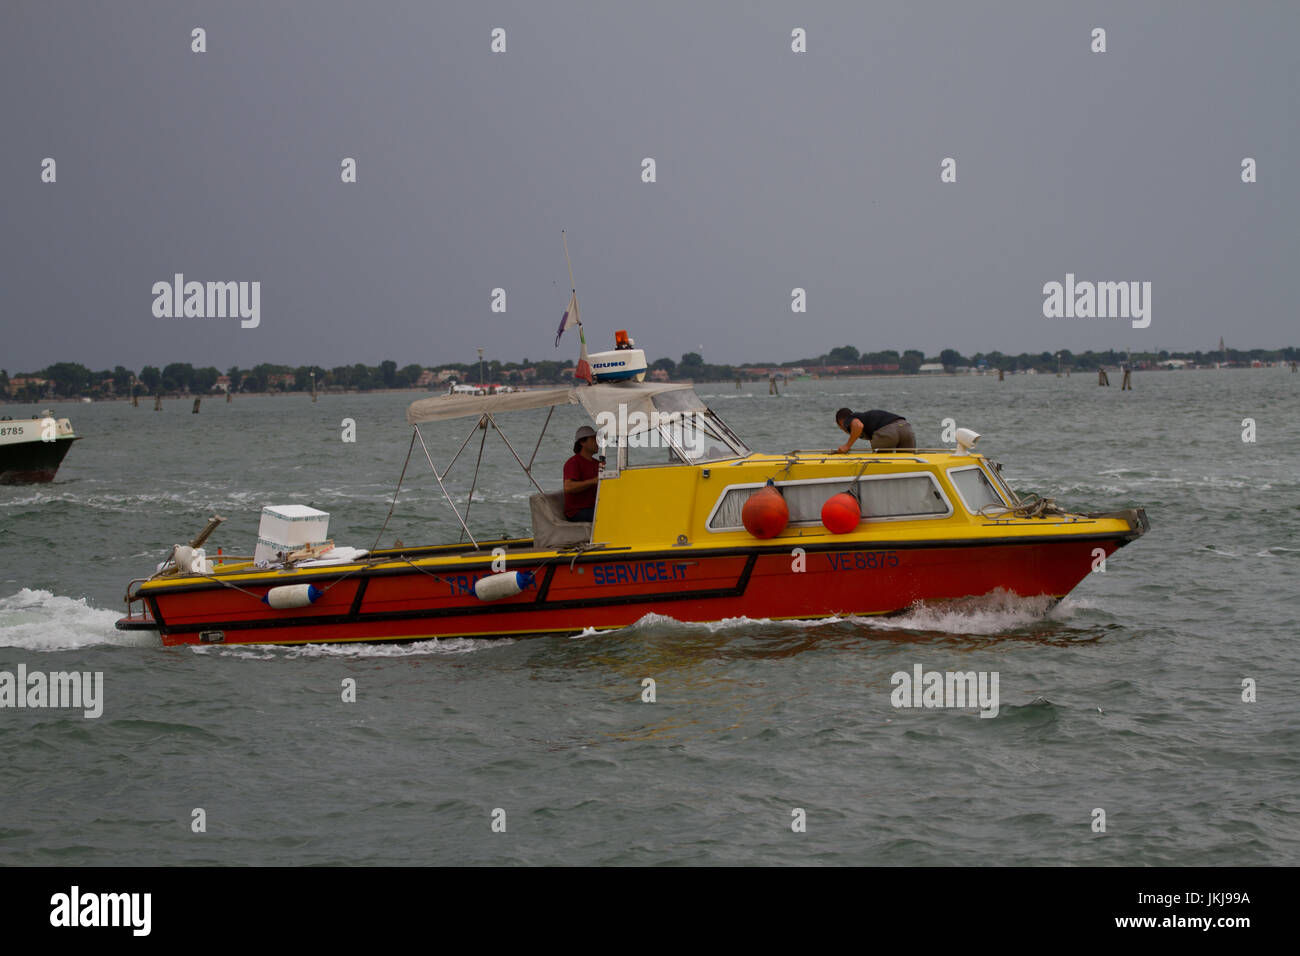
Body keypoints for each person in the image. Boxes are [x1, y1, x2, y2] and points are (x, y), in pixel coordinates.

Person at [563, 425, 603, 521]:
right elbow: (568, 487)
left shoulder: (597, 463)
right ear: (582, 442)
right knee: (608, 516)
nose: (598, 442)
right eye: (593, 439)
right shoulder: (573, 462)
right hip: (576, 512)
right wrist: (593, 481)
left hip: (592, 507)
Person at [834, 407, 916, 453]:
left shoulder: (849, 418)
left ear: (841, 423)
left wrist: (847, 446)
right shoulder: (866, 418)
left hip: (887, 431)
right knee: (907, 459)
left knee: (881, 463)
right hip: (905, 427)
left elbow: (858, 426)